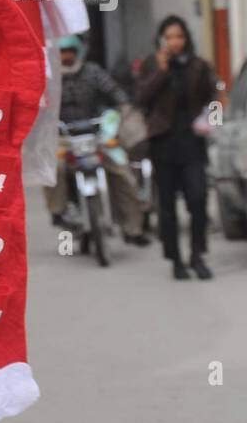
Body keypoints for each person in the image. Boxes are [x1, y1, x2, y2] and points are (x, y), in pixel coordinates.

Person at [134, 15, 218, 280]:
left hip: (192, 142)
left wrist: (211, 119)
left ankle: (197, 255)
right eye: (169, 37)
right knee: (167, 206)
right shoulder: (151, 65)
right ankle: (176, 260)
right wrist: (161, 70)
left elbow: (214, 95)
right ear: (161, 40)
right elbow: (141, 98)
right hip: (163, 143)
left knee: (198, 198)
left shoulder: (198, 65)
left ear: (186, 38)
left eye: (179, 36)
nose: (175, 42)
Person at [45, 35, 149, 245]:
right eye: (62, 52)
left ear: (78, 52)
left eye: (70, 51)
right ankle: (58, 211)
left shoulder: (92, 71)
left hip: (96, 136)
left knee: (122, 171)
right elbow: (39, 102)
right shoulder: (50, 77)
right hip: (64, 138)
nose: (66, 56)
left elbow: (115, 92)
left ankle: (132, 228)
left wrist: (122, 108)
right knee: (53, 168)